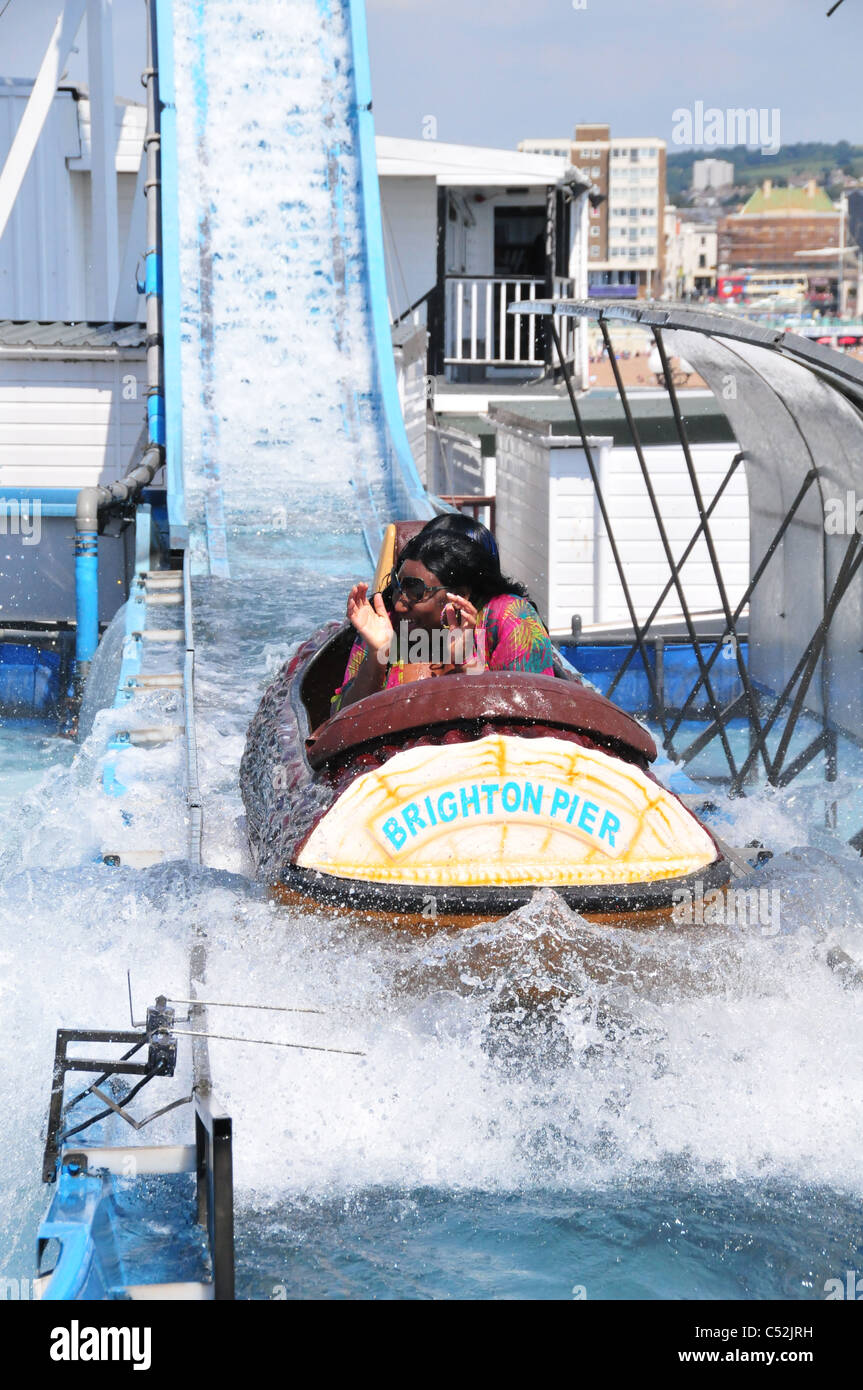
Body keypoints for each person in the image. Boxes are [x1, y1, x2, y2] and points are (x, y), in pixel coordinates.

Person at [331, 513, 554, 711]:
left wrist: (468, 667)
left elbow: (535, 715)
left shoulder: (510, 617)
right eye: (399, 586)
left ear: (461, 593)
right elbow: (338, 721)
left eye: (416, 591)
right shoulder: (386, 619)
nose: (399, 605)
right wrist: (377, 657)